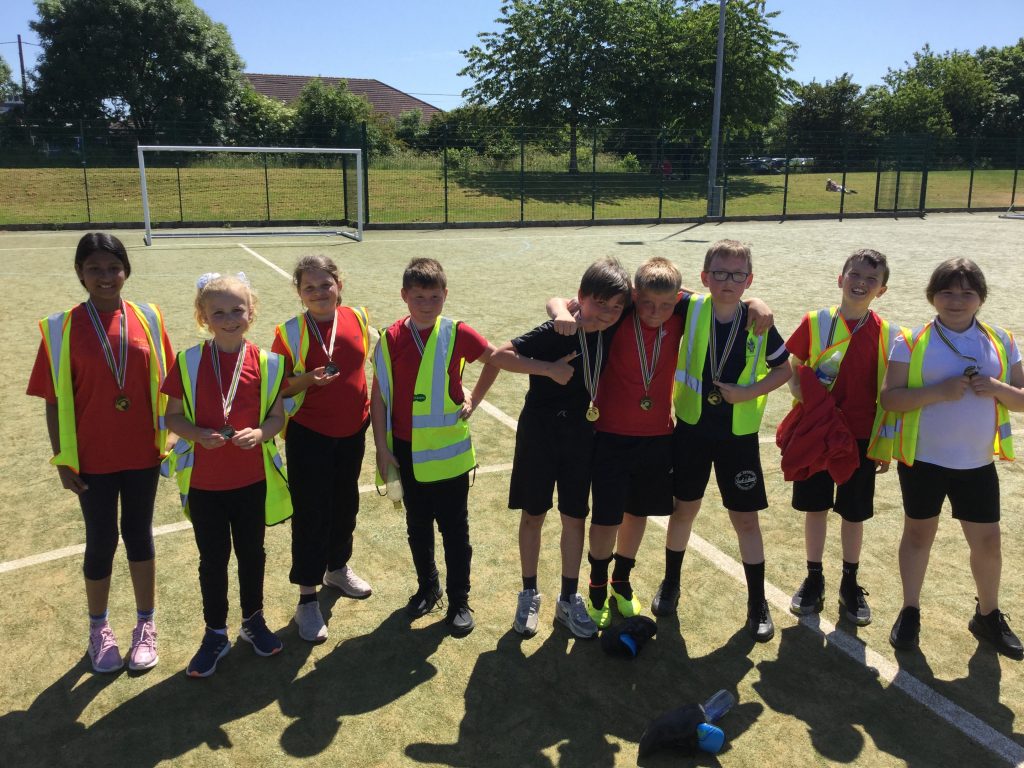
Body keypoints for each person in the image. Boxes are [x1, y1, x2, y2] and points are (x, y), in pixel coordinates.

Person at [27, 232, 172, 674]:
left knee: (139, 534)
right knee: (101, 539)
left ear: (126, 270)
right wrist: (61, 460)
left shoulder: (147, 317)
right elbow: (54, 400)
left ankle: (145, 625)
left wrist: (173, 440)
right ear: (79, 273)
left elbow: (168, 383)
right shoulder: (61, 328)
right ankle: (99, 627)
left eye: (113, 267)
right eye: (94, 269)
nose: (105, 277)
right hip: (91, 458)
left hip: (143, 454)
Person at [881, 258, 1024, 659]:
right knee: (917, 535)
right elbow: (890, 398)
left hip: (977, 464)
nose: (956, 300)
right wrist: (937, 392)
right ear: (932, 295)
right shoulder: (909, 341)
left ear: (981, 298)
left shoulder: (1001, 340)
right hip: (923, 461)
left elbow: (1022, 399)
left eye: (967, 293)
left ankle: (988, 614)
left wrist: (996, 386)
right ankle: (910, 609)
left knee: (988, 544)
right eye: (947, 291)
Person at [490, 258, 631, 638]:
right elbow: (499, 356)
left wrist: (753, 306)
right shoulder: (559, 330)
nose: (609, 313)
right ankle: (529, 592)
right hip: (539, 434)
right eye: (601, 304)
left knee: (574, 517)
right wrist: (548, 368)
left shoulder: (614, 323)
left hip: (582, 436)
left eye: (617, 307)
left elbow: (663, 291)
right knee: (533, 514)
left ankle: (568, 598)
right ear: (582, 297)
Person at [162, 273, 290, 677]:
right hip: (205, 485)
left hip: (251, 481)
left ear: (251, 311)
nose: (230, 318)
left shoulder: (269, 363)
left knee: (253, 554)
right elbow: (172, 417)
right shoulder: (187, 362)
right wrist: (198, 434)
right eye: (219, 312)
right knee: (212, 560)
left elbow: (276, 416)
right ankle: (215, 633)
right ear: (204, 316)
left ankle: (253, 621)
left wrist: (262, 432)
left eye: (238, 310)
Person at [667, 240, 791, 642]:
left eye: (738, 275)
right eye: (719, 273)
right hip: (692, 429)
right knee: (683, 509)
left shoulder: (759, 321)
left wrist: (748, 393)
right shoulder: (691, 307)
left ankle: (757, 603)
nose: (728, 281)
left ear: (749, 280)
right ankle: (670, 584)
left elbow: (784, 370)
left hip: (738, 437)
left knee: (746, 520)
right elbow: (648, 288)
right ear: (704, 277)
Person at [370, 258, 500, 637]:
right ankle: (429, 587)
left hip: (449, 456)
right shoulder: (390, 338)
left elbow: (492, 360)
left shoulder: (456, 332)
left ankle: (460, 600)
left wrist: (474, 399)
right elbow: (378, 395)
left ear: (445, 295)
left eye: (434, 296)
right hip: (406, 453)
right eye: (419, 296)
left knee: (455, 530)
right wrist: (381, 446)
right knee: (417, 526)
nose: (427, 303)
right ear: (404, 297)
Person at [784, 249, 899, 626]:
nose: (860, 282)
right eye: (854, 274)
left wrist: (884, 444)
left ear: (881, 290)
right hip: (816, 433)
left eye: (871, 278)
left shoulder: (888, 335)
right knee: (815, 507)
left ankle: (850, 581)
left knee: (853, 512)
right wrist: (807, 401)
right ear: (840, 278)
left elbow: (887, 393)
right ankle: (814, 577)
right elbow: (794, 370)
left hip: (861, 437)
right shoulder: (815, 322)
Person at [272, 255, 372, 643]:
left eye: (325, 284)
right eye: (309, 287)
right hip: (309, 434)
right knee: (311, 514)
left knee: (345, 504)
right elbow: (277, 387)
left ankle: (337, 567)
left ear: (339, 284)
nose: (318, 292)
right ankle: (307, 599)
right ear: (299, 293)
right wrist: (306, 380)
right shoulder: (289, 332)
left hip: (352, 432)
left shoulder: (358, 319)